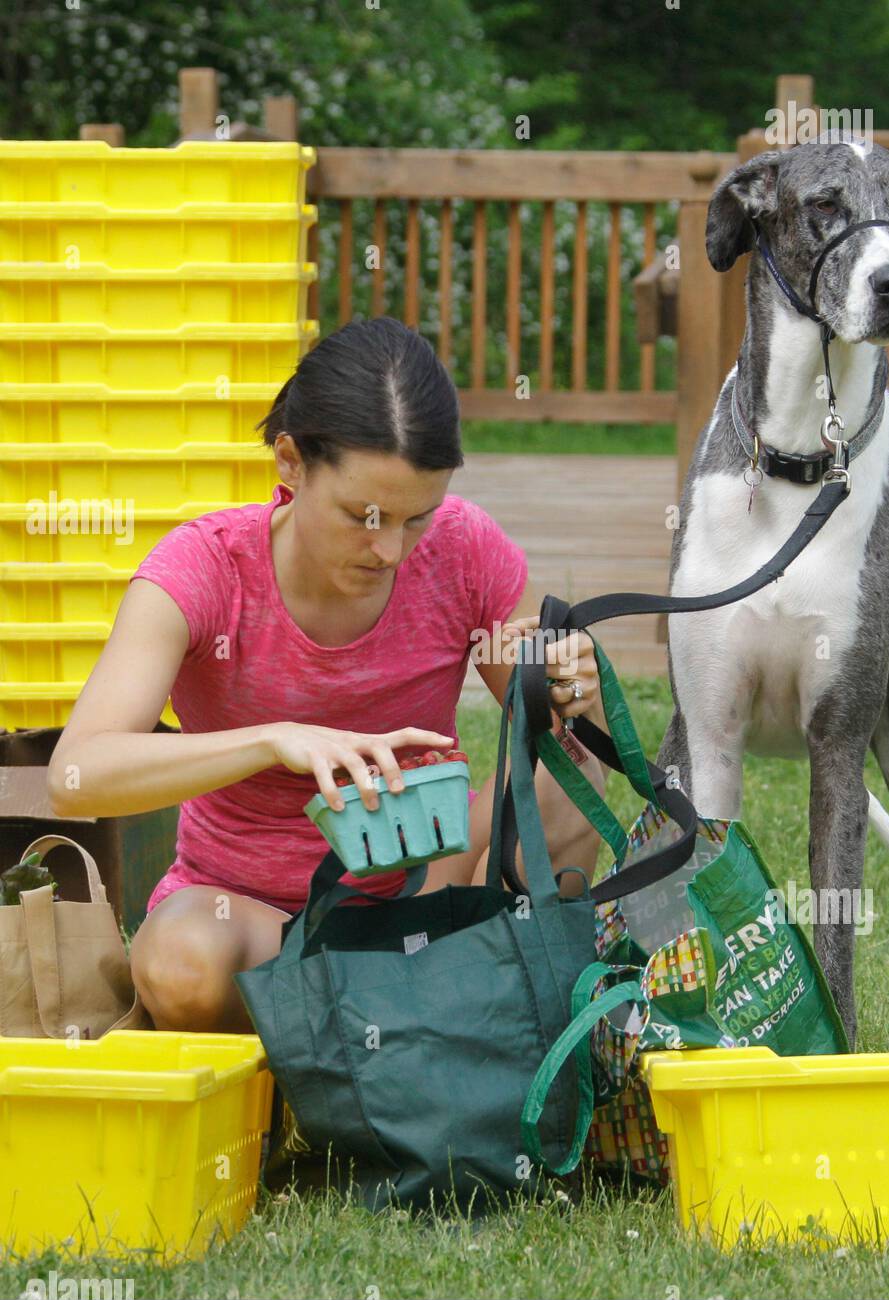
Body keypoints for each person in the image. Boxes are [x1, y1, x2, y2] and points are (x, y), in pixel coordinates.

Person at [46, 317, 609, 1033]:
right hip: (251, 912)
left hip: (427, 887)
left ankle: (433, 1010)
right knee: (178, 968)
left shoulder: (464, 548)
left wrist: (563, 684)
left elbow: (545, 728)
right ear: (290, 460)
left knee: (570, 776)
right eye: (361, 515)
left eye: (417, 518)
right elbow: (77, 774)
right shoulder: (202, 571)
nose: (391, 549)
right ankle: (416, 1013)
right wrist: (273, 740)